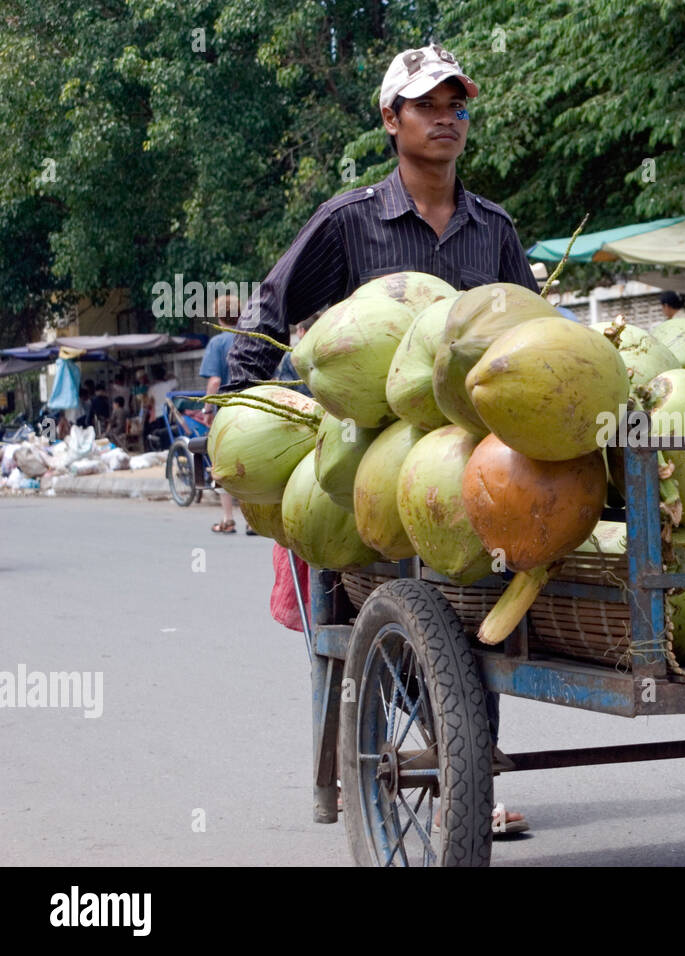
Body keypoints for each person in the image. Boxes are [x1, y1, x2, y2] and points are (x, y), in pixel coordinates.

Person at [226, 43, 535, 835]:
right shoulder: (349, 221)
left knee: (474, 616)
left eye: (457, 104)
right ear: (391, 119)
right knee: (372, 619)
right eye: (427, 105)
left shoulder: (492, 228)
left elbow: (529, 337)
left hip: (461, 461)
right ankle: (402, 770)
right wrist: (240, 405)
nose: (446, 118)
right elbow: (272, 307)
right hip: (365, 457)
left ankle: (467, 776)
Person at [201, 294, 247, 534]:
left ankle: (228, 519)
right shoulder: (250, 338)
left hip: (226, 415)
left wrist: (208, 409)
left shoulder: (217, 344)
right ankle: (253, 520)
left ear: (219, 317)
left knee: (224, 464)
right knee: (251, 462)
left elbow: (215, 381)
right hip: (253, 412)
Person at [143, 365, 178, 448]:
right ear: (164, 375)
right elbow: (176, 380)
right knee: (170, 434)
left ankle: (163, 450)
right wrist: (169, 375)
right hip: (169, 414)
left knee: (161, 435)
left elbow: (149, 403)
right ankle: (171, 448)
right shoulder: (169, 384)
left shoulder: (152, 388)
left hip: (158, 415)